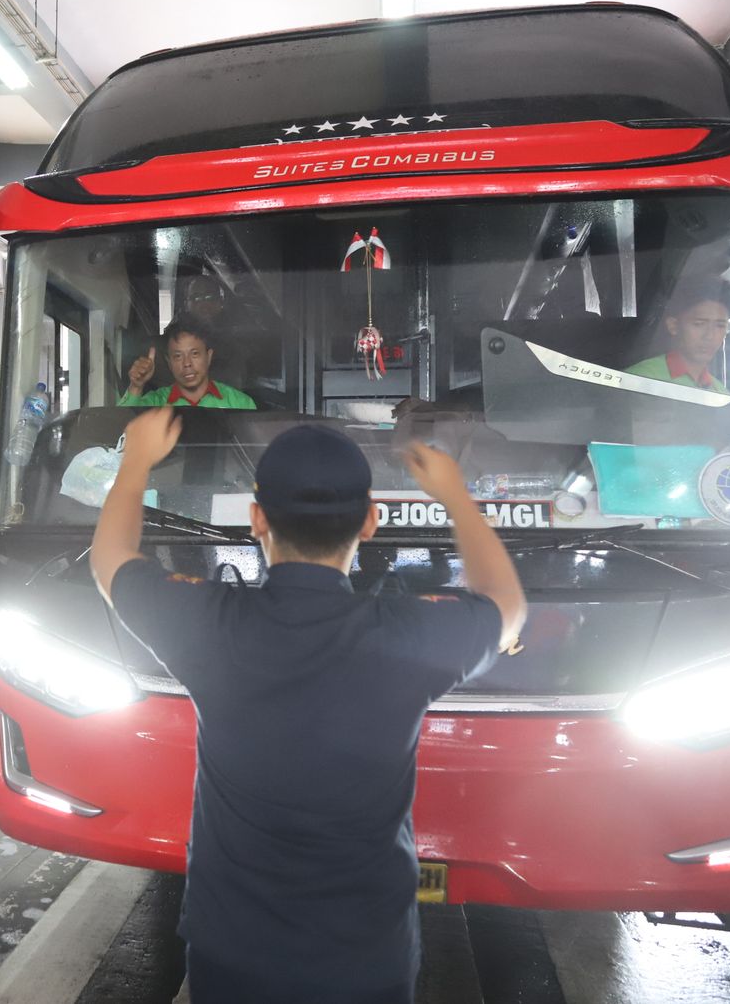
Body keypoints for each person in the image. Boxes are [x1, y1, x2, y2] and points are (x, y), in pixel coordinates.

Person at [89, 409, 526, 1004]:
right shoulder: (409, 637)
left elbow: (110, 561)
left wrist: (136, 460)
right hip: (367, 960)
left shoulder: (212, 625)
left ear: (257, 520)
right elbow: (506, 605)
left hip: (232, 956)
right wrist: (453, 494)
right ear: (371, 523)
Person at [119, 313, 257, 409]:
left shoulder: (240, 403)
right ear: (169, 363)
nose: (187, 363)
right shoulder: (156, 402)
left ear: (208, 357)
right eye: (178, 356)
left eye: (195, 354)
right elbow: (121, 435)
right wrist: (136, 386)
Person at [626, 288, 730, 394]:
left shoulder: (721, 393)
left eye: (720, 326)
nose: (710, 336)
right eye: (699, 324)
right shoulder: (639, 378)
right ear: (673, 326)